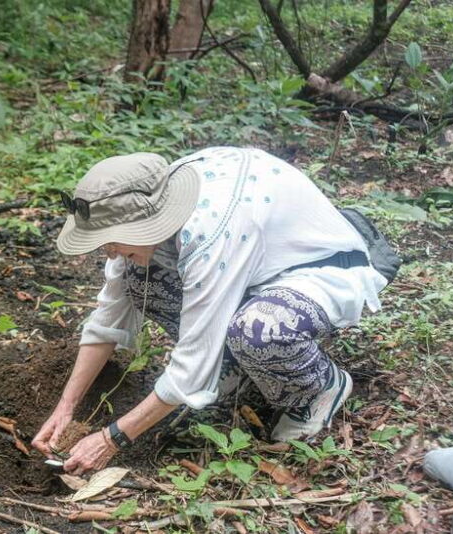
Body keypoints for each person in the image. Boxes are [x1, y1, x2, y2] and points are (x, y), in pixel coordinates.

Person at [31, 146, 387, 476]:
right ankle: (238, 369)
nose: (108, 252)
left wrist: (111, 439)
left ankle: (317, 389)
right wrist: (65, 407)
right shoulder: (146, 213)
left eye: (110, 241)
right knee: (137, 276)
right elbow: (107, 321)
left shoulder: (211, 232)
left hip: (317, 267)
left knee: (259, 330)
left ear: (139, 226)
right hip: (252, 270)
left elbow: (190, 371)